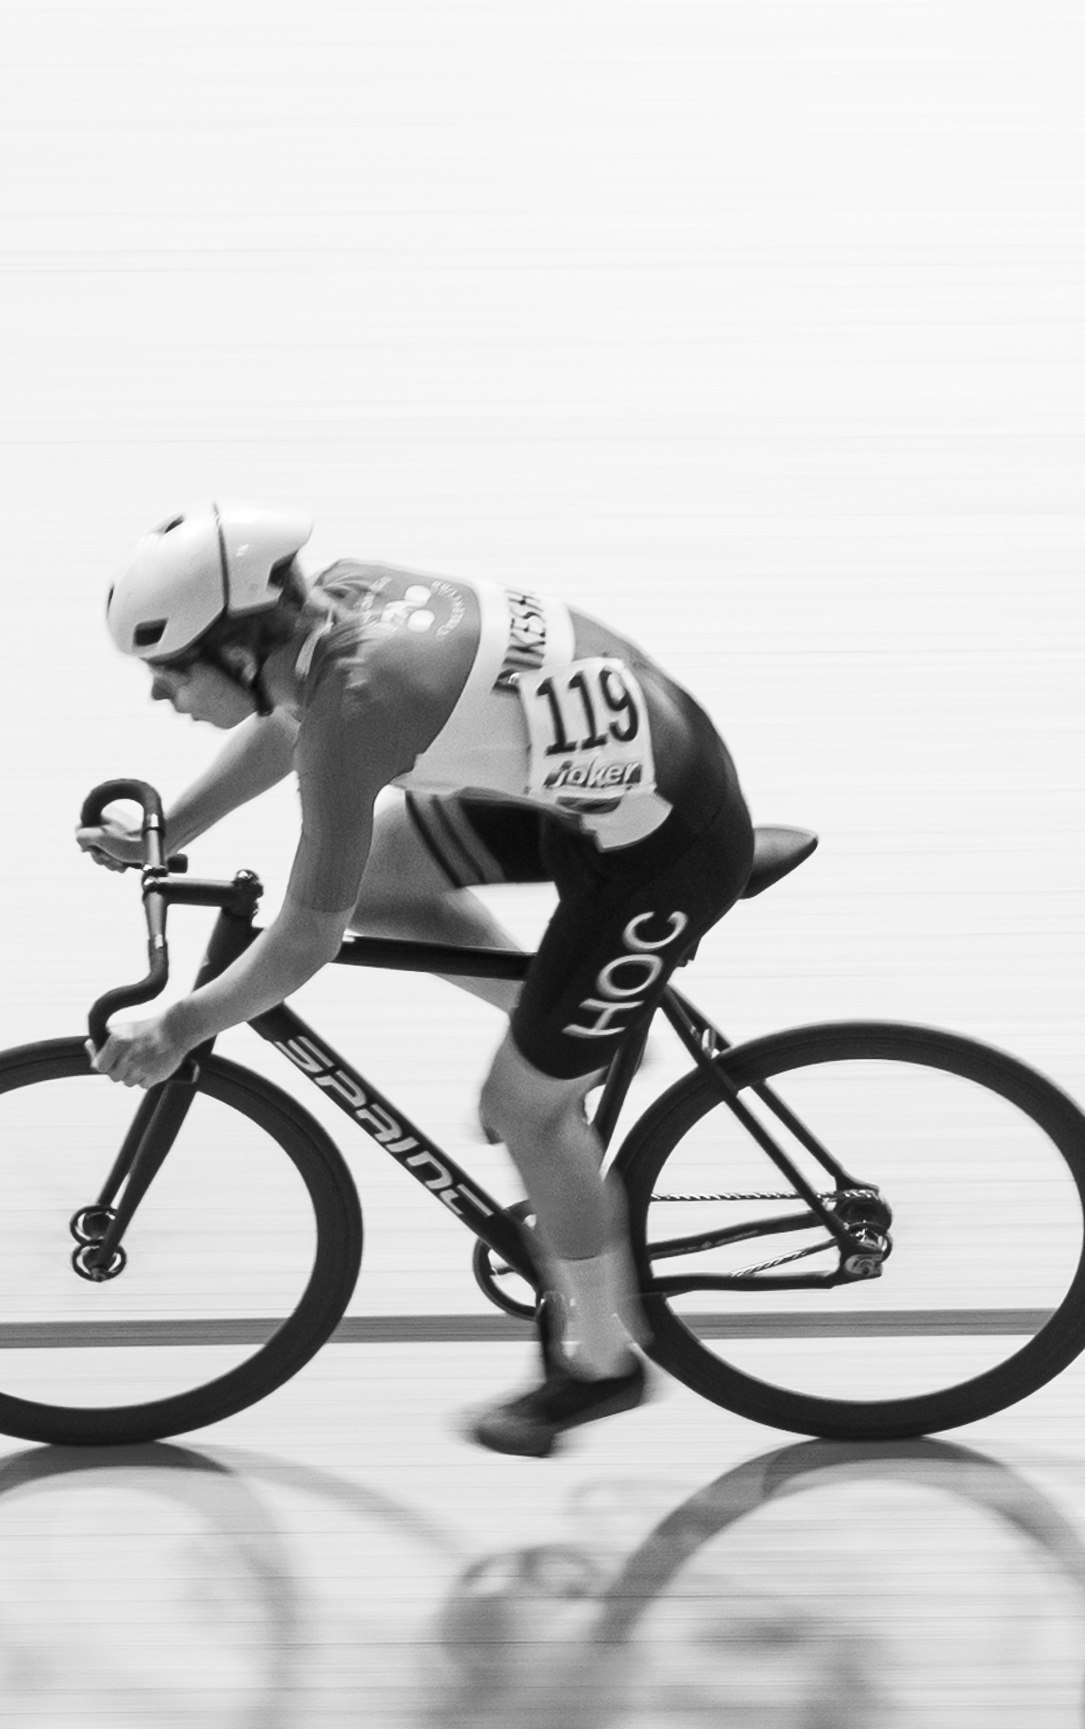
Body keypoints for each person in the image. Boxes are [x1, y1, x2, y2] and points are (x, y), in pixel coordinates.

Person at [81, 505, 766, 1456]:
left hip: (664, 844)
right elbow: (291, 721)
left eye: (170, 670)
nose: (161, 696)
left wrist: (183, 1024)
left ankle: (602, 1364)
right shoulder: (337, 606)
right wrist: (175, 831)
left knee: (525, 1112)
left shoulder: (363, 707)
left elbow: (301, 942)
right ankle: (573, 1028)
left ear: (237, 647)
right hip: (603, 783)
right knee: (385, 874)